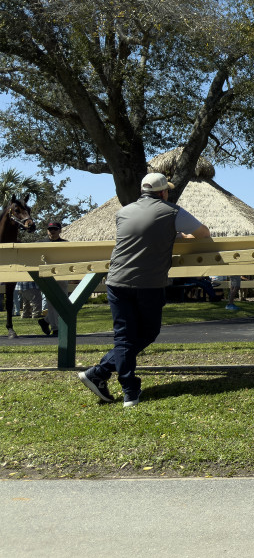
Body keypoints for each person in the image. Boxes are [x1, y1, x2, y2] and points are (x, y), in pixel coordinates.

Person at [77, 173, 210, 407]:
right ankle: (127, 390)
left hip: (116, 281)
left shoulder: (123, 212)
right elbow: (204, 234)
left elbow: (142, 234)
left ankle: (102, 375)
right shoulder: (172, 211)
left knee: (124, 336)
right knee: (147, 333)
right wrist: (183, 236)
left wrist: (173, 234)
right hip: (149, 283)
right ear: (163, 193)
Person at [38, 220, 68, 336]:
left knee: (63, 303)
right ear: (47, 231)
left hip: (62, 276)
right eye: (50, 229)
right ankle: (56, 328)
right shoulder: (40, 243)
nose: (53, 232)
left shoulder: (66, 244)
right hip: (48, 277)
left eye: (55, 229)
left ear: (60, 230)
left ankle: (45, 321)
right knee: (52, 302)